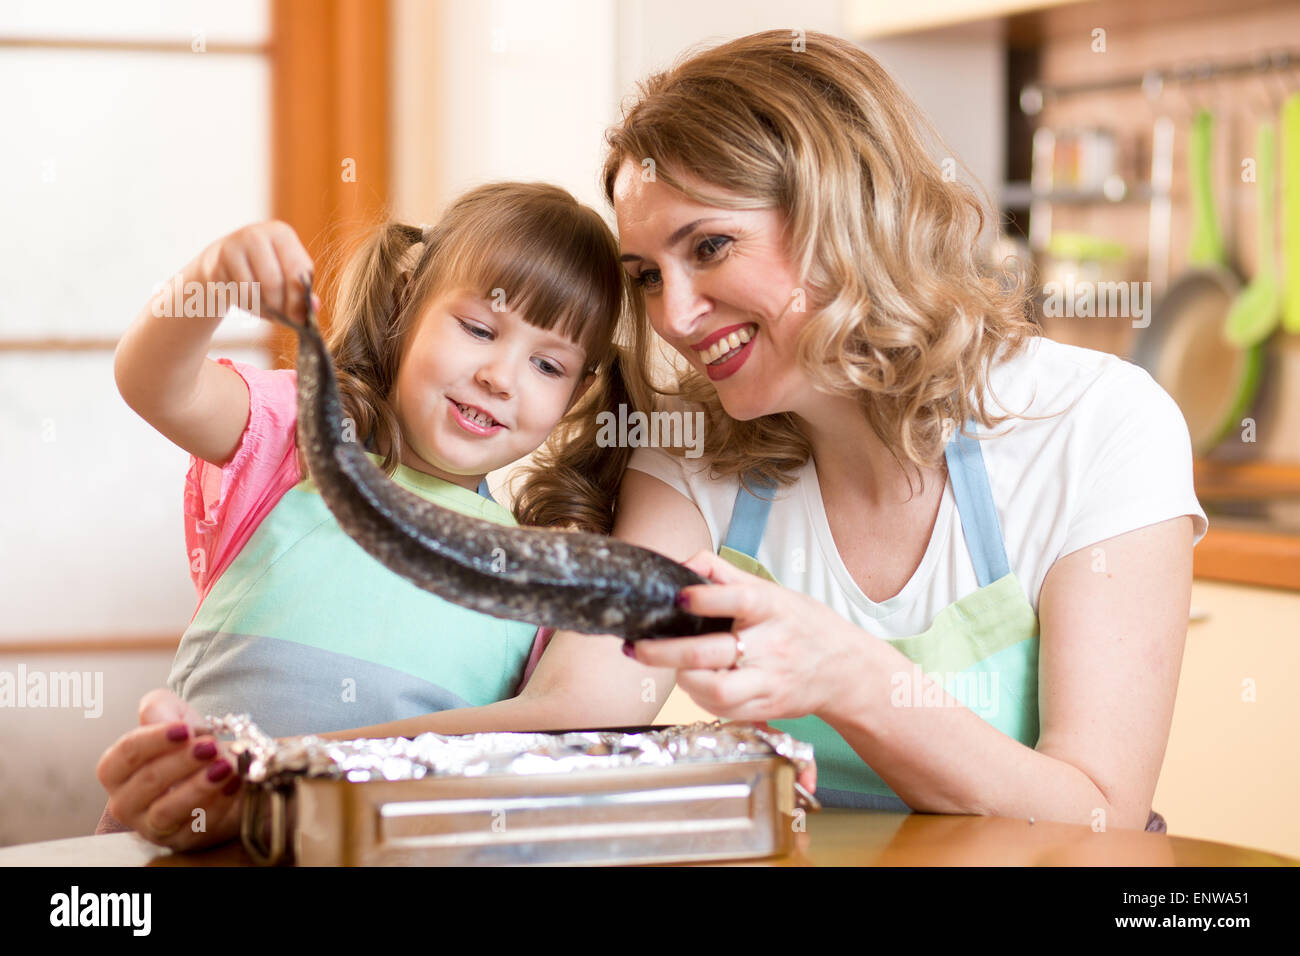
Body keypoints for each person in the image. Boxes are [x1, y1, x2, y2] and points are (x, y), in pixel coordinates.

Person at [605, 30, 1206, 830]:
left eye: (710, 246)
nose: (674, 316)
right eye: (647, 276)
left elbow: (1100, 816)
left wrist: (851, 678)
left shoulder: (1099, 425)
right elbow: (587, 703)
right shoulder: (692, 449)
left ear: (847, 212)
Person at [96, 182, 654, 848]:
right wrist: (212, 278)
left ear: (580, 391)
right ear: (405, 298)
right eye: (478, 329)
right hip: (188, 838)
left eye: (546, 364)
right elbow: (151, 384)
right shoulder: (298, 439)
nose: (501, 377)